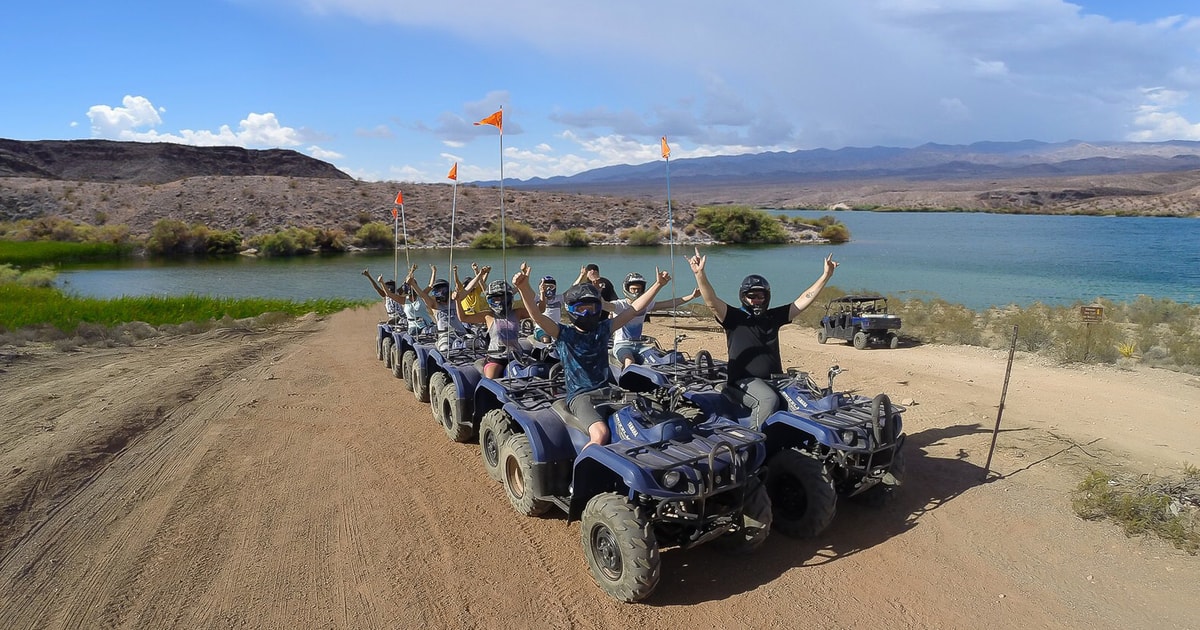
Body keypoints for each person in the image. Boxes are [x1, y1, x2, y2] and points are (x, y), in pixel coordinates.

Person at [516, 262, 671, 449]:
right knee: (600, 434)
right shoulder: (564, 333)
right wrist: (523, 288)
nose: (587, 313)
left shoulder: (603, 329)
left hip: (607, 390)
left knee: (649, 410)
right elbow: (537, 316)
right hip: (581, 397)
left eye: (592, 308)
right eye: (581, 309)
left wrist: (658, 285)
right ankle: (585, 462)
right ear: (571, 310)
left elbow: (634, 310)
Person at [688, 247, 839, 428]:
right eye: (751, 296)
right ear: (743, 297)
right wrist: (699, 274)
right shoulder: (733, 318)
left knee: (807, 398)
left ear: (767, 296)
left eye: (760, 296)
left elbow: (803, 300)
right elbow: (712, 302)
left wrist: (826, 276)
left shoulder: (773, 317)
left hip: (776, 379)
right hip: (743, 381)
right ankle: (753, 439)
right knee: (768, 400)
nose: (755, 300)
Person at [609, 271, 702, 368]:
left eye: (639, 289)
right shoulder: (620, 305)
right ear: (627, 289)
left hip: (639, 345)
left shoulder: (645, 305)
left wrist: (692, 296)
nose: (636, 292)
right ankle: (625, 377)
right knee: (629, 361)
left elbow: (669, 303)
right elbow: (606, 306)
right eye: (633, 289)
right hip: (622, 345)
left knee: (657, 360)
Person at [456, 279, 532, 378]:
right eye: (495, 299)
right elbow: (464, 318)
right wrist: (457, 300)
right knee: (490, 381)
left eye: (502, 298)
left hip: (516, 356)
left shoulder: (517, 313)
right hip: (496, 358)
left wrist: (524, 289)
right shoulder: (488, 315)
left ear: (509, 297)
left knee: (531, 376)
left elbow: (538, 310)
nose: (499, 301)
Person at [408, 265, 469, 352]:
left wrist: (480, 274)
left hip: (462, 333)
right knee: (445, 348)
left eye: (442, 290)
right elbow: (422, 295)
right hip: (445, 335)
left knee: (478, 343)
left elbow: (468, 289)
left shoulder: (455, 301)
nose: (440, 293)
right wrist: (413, 284)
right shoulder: (435, 305)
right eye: (437, 291)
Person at [532, 275, 562, 344]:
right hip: (541, 329)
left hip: (555, 328)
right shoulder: (537, 298)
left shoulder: (559, 298)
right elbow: (527, 292)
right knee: (546, 340)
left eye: (551, 287)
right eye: (545, 287)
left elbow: (572, 290)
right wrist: (542, 293)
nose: (548, 289)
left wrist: (581, 275)